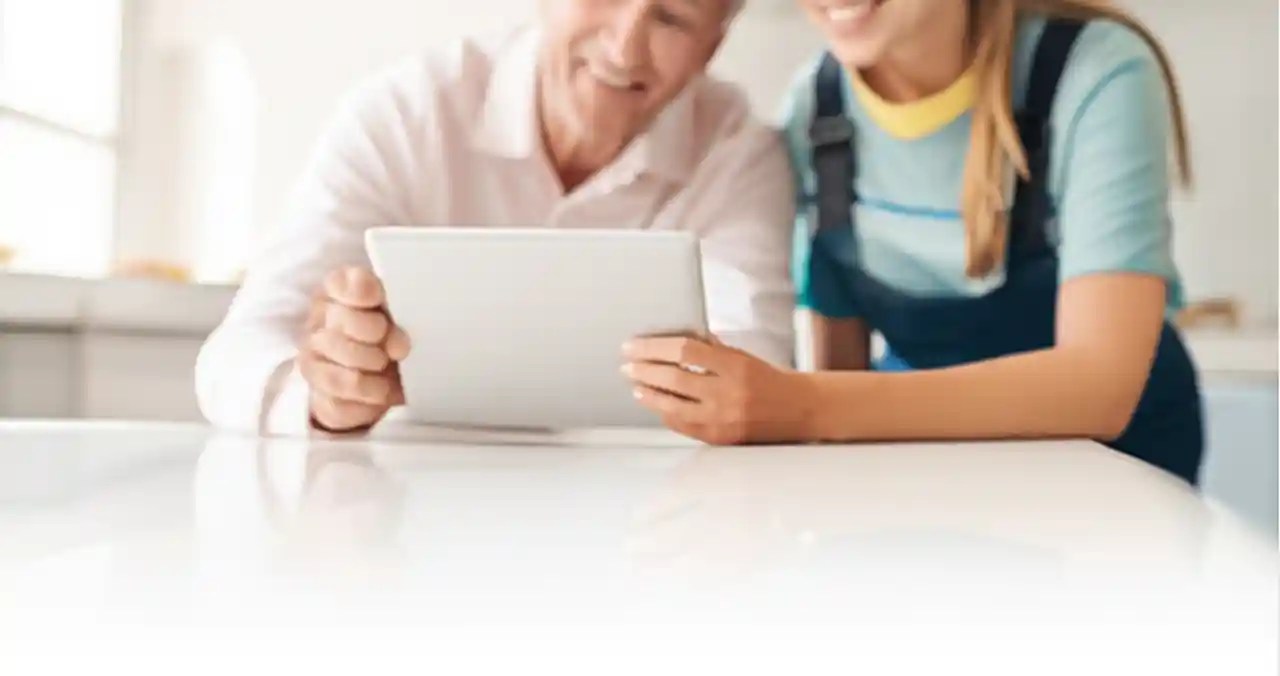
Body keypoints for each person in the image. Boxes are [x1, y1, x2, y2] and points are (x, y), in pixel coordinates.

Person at [621, 0, 1205, 483]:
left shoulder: (1093, 72)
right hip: (928, 472)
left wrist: (799, 404)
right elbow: (840, 376)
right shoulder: (816, 108)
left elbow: (1100, 388)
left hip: (1117, 479)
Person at [196, 0, 797, 435]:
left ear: (714, 43)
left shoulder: (736, 155)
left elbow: (755, 374)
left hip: (640, 514)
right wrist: (325, 392)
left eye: (673, 18)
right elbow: (235, 356)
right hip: (409, 507)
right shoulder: (408, 113)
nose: (623, 50)